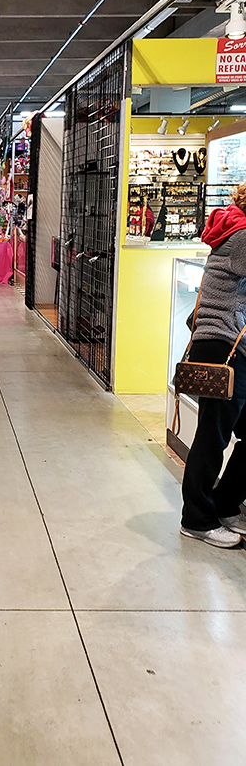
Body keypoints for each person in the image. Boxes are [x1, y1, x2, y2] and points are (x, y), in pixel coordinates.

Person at [180, 188, 246, 548]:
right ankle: (197, 518)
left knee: (216, 432)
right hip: (226, 346)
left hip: (225, 344)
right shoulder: (243, 237)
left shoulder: (233, 229)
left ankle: (221, 504)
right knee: (213, 436)